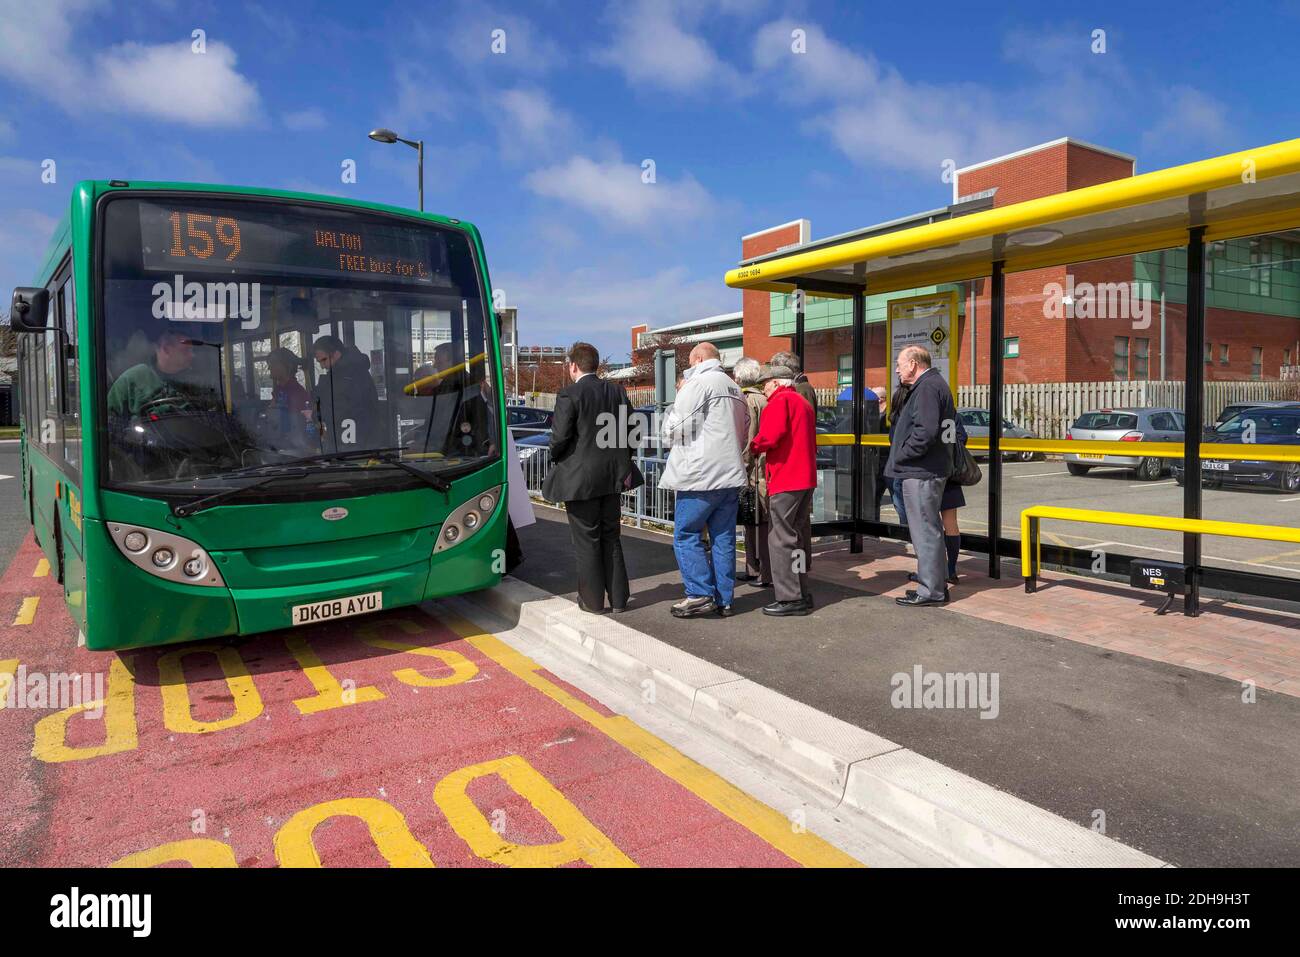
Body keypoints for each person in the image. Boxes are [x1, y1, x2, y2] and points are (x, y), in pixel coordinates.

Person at [542, 342, 636, 614]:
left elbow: (558, 439)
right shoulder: (617, 392)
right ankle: (619, 600)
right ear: (596, 364)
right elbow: (632, 433)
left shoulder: (569, 395)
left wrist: (557, 457)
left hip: (580, 480)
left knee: (587, 542)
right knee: (611, 536)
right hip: (613, 478)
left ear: (573, 365)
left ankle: (592, 602)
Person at [660, 342, 749, 619]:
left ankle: (699, 594)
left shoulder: (697, 384)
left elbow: (676, 428)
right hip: (730, 475)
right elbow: (744, 432)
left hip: (699, 476)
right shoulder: (735, 389)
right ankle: (725, 599)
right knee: (724, 539)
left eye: (690, 361)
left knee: (686, 534)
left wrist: (666, 422)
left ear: (698, 359)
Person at [885, 346, 957, 607]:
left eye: (899, 364)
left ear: (913, 364)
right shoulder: (932, 384)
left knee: (924, 530)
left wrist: (902, 454)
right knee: (929, 529)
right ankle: (934, 584)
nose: (897, 369)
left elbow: (925, 432)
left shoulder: (927, 387)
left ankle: (931, 590)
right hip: (926, 469)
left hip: (921, 471)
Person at [749, 361, 817, 616]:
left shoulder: (779, 402)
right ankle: (801, 591)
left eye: (765, 384)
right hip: (805, 477)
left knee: (780, 538)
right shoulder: (803, 402)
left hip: (786, 477)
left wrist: (753, 446)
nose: (764, 389)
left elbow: (769, 437)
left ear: (776, 383)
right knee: (796, 536)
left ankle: (789, 597)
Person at [107, 330, 217, 419]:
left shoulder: (198, 383)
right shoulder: (132, 379)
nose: (192, 355)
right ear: (166, 349)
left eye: (192, 350)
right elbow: (109, 421)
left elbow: (213, 413)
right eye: (186, 350)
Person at [733, 357, 772, 587]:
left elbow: (748, 440)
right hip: (764, 469)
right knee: (758, 520)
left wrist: (742, 467)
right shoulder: (764, 399)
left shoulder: (747, 401)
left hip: (755, 471)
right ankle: (755, 568)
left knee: (756, 521)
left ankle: (758, 569)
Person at [313, 334, 382, 451]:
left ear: (336, 353)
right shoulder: (346, 372)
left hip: (353, 442)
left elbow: (340, 408)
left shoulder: (349, 375)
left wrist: (317, 415)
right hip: (348, 438)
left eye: (324, 360)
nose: (322, 366)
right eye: (319, 362)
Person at [266, 347, 312, 447]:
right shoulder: (278, 390)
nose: (269, 368)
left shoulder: (297, 393)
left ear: (286, 366)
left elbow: (299, 428)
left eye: (272, 364)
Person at [770, 349, 818, 416]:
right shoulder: (798, 386)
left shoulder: (803, 388)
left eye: (778, 371)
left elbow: (806, 419)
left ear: (786, 370)